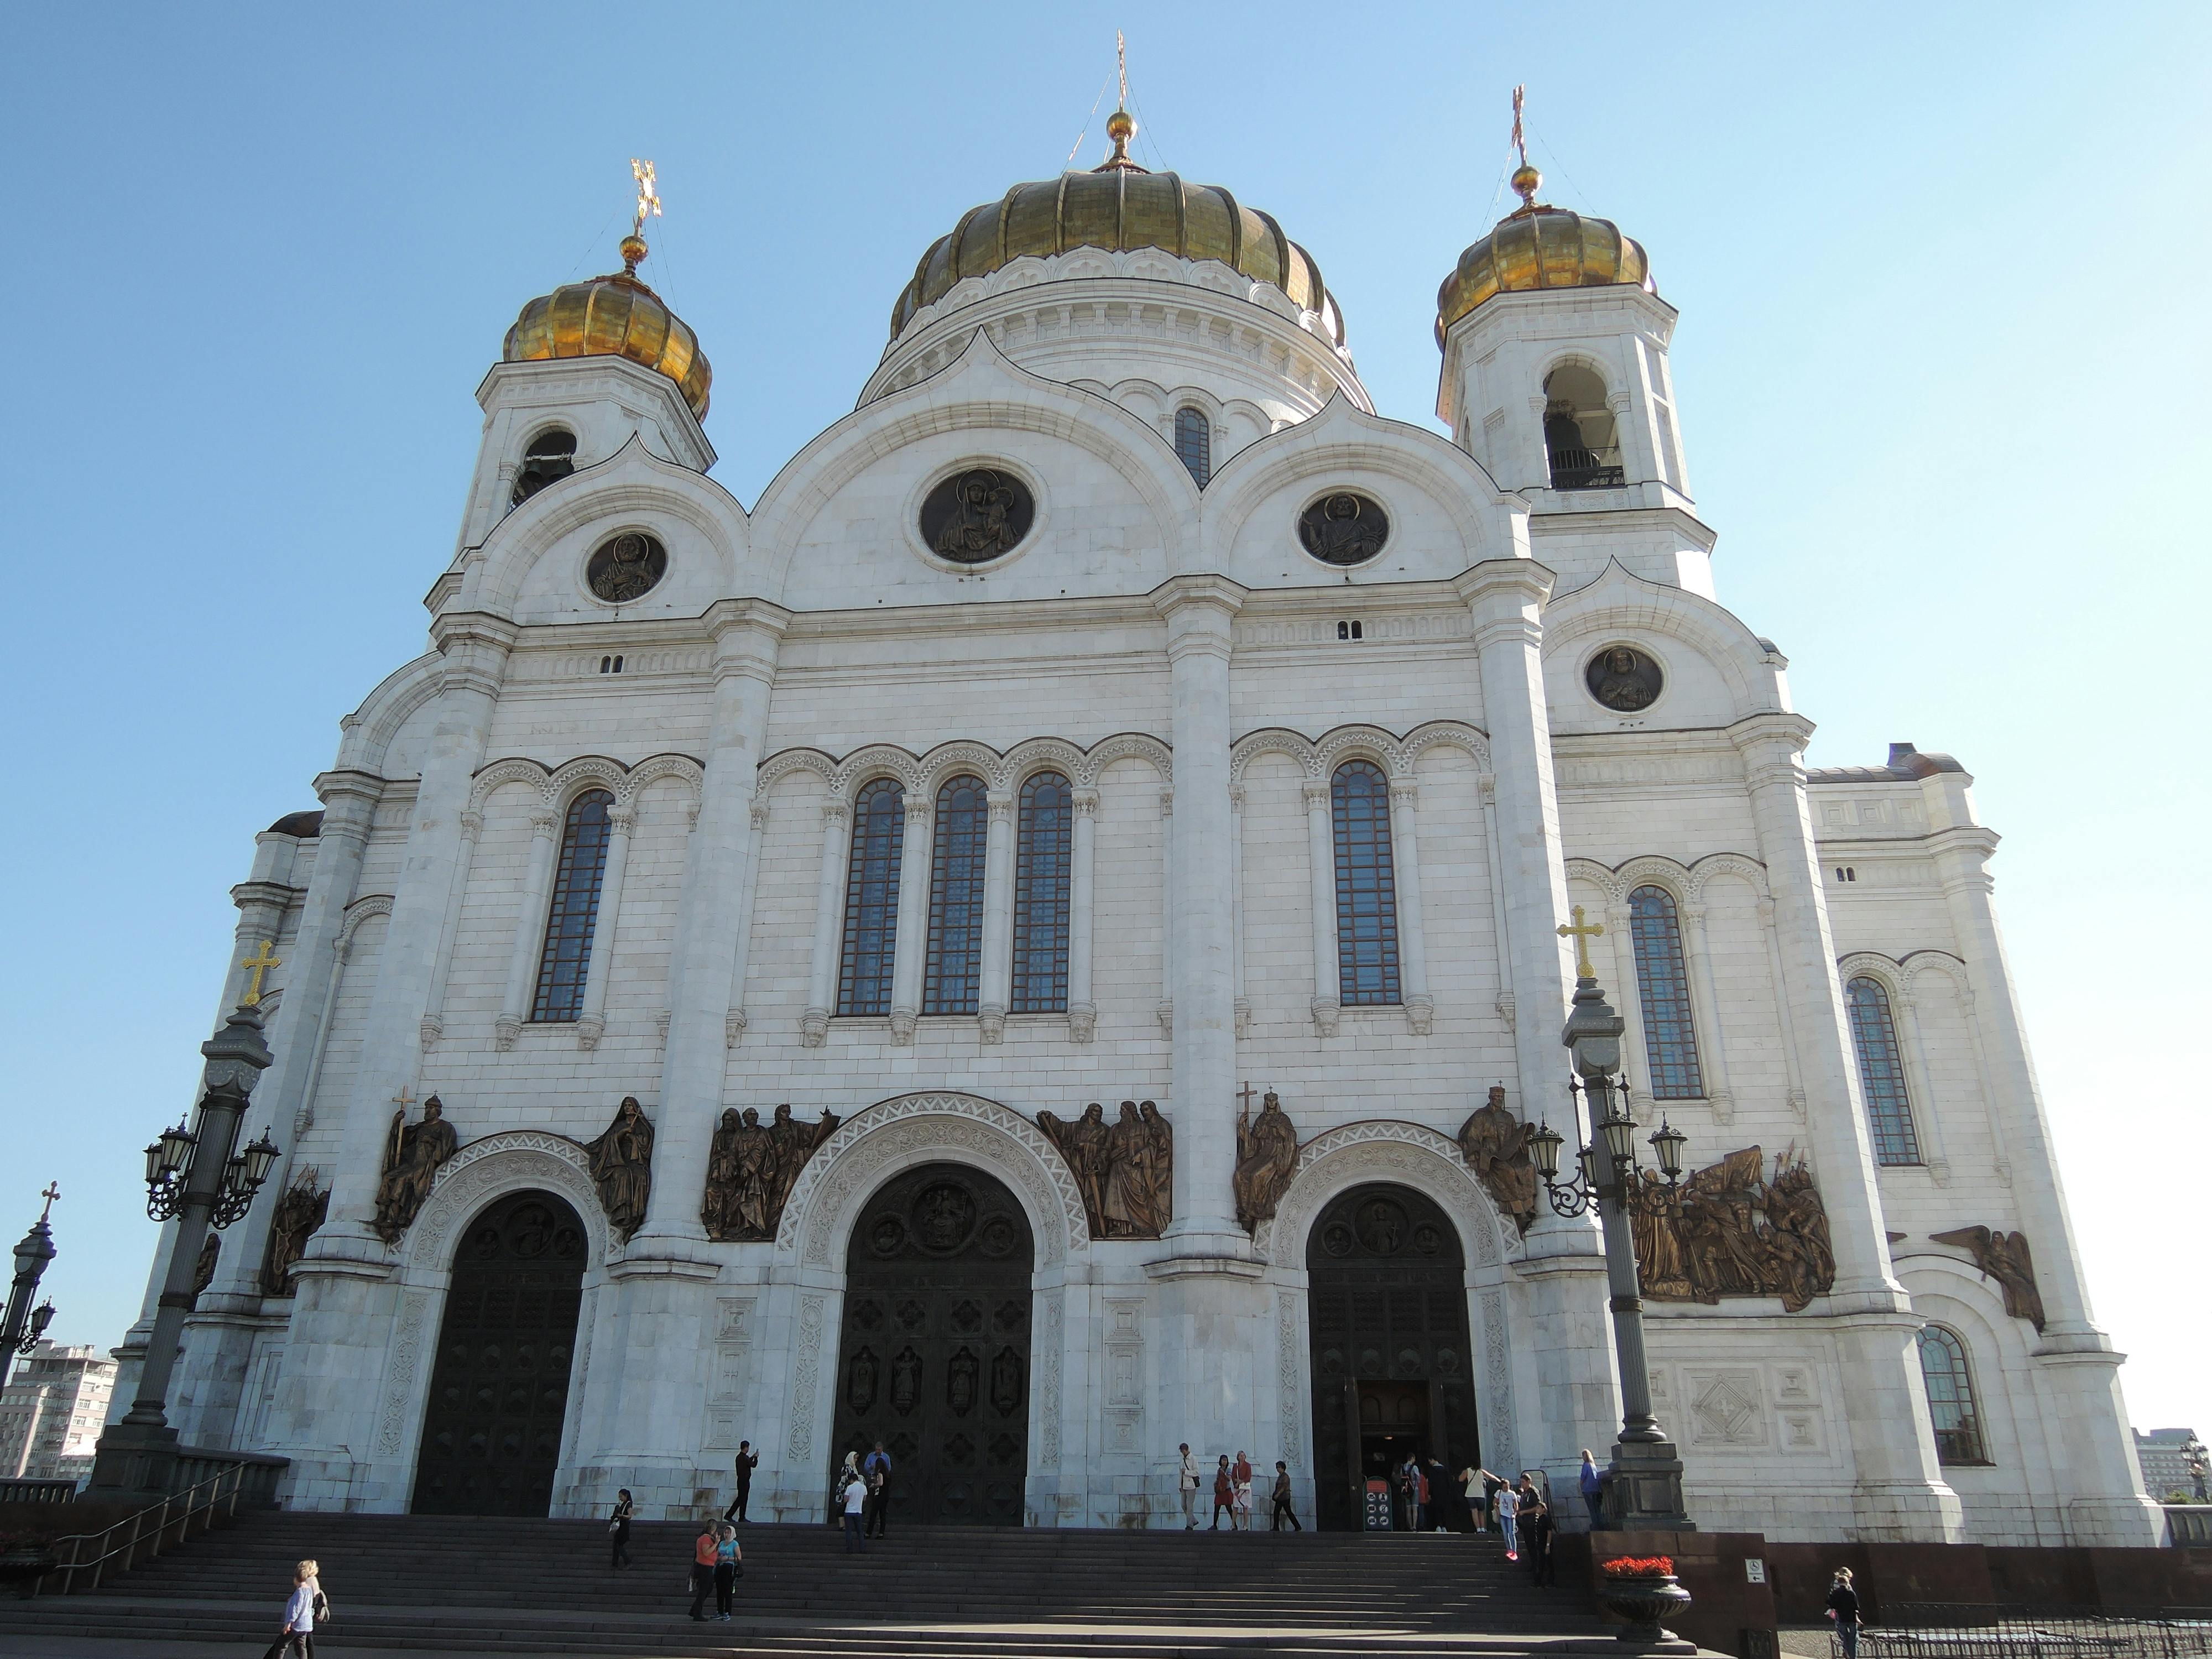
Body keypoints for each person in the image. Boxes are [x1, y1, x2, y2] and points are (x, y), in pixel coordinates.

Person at [263, 1563, 315, 1659]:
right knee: (302, 1647)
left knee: (281, 1645)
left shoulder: (299, 1592)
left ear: (296, 1579)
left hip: (296, 1625)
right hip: (306, 1624)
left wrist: (288, 1624)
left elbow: (295, 1609)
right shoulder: (309, 1590)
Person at [1827, 1568, 1863, 1659]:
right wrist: (1857, 1618)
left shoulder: (1834, 1587)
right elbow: (1855, 1606)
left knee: (1844, 1636)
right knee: (1854, 1638)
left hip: (1841, 1616)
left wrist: (1833, 1609)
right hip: (1851, 1617)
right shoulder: (1850, 1591)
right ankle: (1852, 1656)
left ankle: (1846, 1651)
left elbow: (1831, 1602)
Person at [688, 1521, 718, 1620]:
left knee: (708, 1588)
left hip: (707, 1566)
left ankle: (695, 1609)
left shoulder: (707, 1538)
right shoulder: (705, 1538)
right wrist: (716, 1544)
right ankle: (697, 1613)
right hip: (704, 1567)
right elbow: (706, 1552)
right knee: (704, 1590)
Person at [863, 1441, 893, 1538]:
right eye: (876, 1450)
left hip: (879, 1494)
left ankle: (869, 1531)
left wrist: (874, 1485)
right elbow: (866, 1467)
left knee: (875, 1511)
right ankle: (881, 1532)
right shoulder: (870, 1456)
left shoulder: (885, 1460)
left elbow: (881, 1483)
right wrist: (870, 1467)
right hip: (884, 1494)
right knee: (879, 1510)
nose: (877, 1451)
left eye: (879, 1450)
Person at [713, 1523, 742, 1620]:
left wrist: (728, 1558)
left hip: (729, 1567)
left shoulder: (735, 1544)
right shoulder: (721, 1543)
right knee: (719, 1590)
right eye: (725, 1533)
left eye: (728, 1533)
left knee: (727, 1590)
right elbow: (717, 1554)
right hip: (720, 1567)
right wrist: (719, 1558)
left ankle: (728, 1612)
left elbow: (739, 1558)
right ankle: (720, 1611)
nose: (726, 1534)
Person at [1525, 1498, 1556, 1585]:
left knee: (1549, 1563)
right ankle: (1538, 1582)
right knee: (1541, 1563)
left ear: (1543, 1509)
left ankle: (1551, 1582)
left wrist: (1548, 1545)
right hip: (1540, 1544)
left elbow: (1549, 1532)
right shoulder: (1538, 1519)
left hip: (1546, 1544)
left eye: (1538, 1508)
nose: (1537, 1509)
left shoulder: (1546, 1519)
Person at [725, 1442, 758, 1523]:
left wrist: (752, 1457)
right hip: (744, 1482)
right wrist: (756, 1458)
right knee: (743, 1500)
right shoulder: (744, 1458)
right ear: (746, 1448)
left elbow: (747, 1463)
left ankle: (731, 1515)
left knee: (740, 1499)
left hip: (741, 1481)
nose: (748, 1449)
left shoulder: (739, 1457)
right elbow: (753, 1465)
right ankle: (740, 1517)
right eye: (748, 1447)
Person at [841, 1462, 869, 1553]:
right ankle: (862, 1548)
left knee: (849, 1531)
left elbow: (846, 1499)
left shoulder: (850, 1488)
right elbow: (864, 1499)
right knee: (860, 1531)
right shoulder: (864, 1488)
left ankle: (849, 1549)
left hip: (849, 1512)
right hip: (858, 1512)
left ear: (852, 1480)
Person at [1269, 1461, 1301, 1531]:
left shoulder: (1285, 1476)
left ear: (1283, 1468)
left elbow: (1284, 1487)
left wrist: (1278, 1494)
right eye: (1277, 1467)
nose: (1278, 1469)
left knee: (1287, 1512)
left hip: (1284, 1497)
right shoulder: (1281, 1476)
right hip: (1281, 1498)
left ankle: (1297, 1526)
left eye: (1279, 1467)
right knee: (1277, 1512)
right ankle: (1276, 1527)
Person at [1579, 1450, 1605, 1530]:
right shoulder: (1593, 1465)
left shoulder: (1586, 1465)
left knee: (1592, 1509)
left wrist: (1581, 1485)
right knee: (1597, 1509)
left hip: (1587, 1490)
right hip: (1596, 1489)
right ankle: (1601, 1525)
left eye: (1583, 1456)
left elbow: (1583, 1476)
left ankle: (1595, 1526)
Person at [1496, 1480, 1520, 1562]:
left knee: (1511, 1533)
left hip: (1510, 1515)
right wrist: (1498, 1510)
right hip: (1503, 1515)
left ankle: (1514, 1551)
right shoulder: (1499, 1493)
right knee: (1505, 1533)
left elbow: (1516, 1505)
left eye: (1507, 1487)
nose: (1506, 1489)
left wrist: (1515, 1514)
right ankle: (1509, 1550)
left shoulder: (1512, 1494)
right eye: (1504, 1487)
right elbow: (1494, 1502)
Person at [608, 1489, 633, 1569]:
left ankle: (628, 1562)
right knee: (616, 1545)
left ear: (626, 1496)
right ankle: (614, 1564)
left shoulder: (628, 1504)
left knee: (619, 1546)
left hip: (624, 1528)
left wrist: (621, 1516)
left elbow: (630, 1516)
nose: (620, 1498)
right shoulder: (624, 1504)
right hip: (621, 1528)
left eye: (621, 1496)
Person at [1179, 1444, 1201, 1531]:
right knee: (1183, 1505)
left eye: (1183, 1451)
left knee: (1189, 1506)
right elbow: (1180, 1474)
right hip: (1183, 1485)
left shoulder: (1193, 1459)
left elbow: (1196, 1472)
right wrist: (1180, 1485)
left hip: (1191, 1486)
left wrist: (1186, 1472)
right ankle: (1193, 1520)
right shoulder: (1182, 1460)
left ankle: (1190, 1525)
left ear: (1186, 1450)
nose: (1182, 1453)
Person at [1231, 1451, 1253, 1531]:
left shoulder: (1248, 1465)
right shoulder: (1235, 1466)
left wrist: (1241, 1481)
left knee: (1245, 1507)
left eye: (1244, 1455)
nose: (1242, 1457)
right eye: (1241, 1456)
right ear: (1238, 1457)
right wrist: (1236, 1482)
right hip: (1237, 1488)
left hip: (1245, 1488)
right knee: (1235, 1507)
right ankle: (1233, 1525)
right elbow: (1233, 1476)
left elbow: (1249, 1476)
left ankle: (1245, 1525)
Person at [1212, 1455, 1235, 1530]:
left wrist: (1224, 1473)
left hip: (1226, 1490)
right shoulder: (1219, 1470)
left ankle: (1234, 1525)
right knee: (1217, 1508)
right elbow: (1218, 1479)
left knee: (1229, 1509)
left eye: (1226, 1460)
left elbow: (1229, 1479)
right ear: (1220, 1461)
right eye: (1223, 1460)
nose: (1224, 1462)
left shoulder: (1228, 1470)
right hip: (1220, 1491)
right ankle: (1215, 1525)